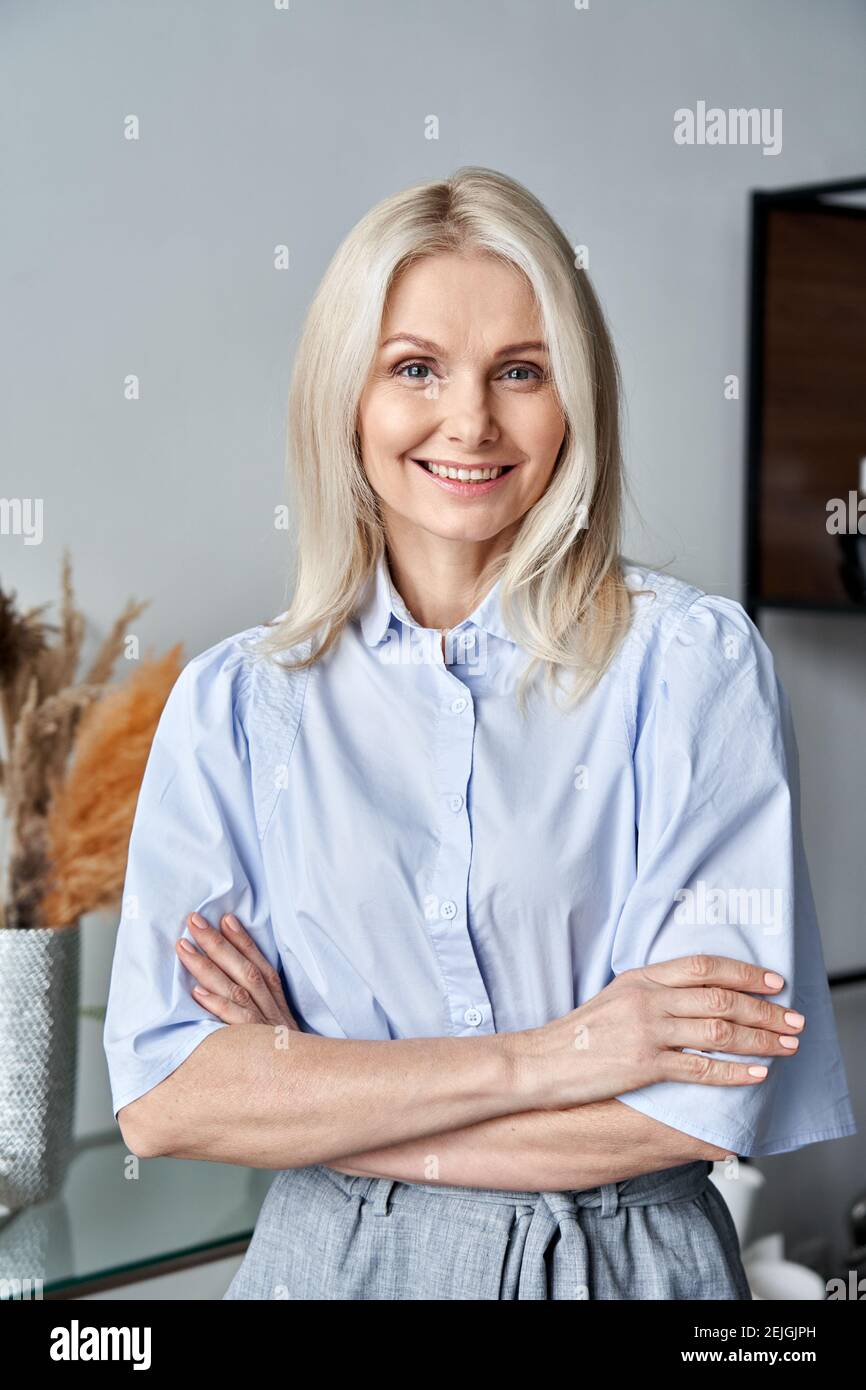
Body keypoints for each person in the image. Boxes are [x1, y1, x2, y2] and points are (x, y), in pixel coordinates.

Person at [103, 166, 856, 1301]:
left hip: (622, 1268)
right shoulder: (234, 703)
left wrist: (308, 1099)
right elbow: (168, 1098)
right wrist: (561, 1055)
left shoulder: (691, 666)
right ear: (342, 396)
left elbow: (701, 1103)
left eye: (519, 372)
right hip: (325, 1270)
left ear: (575, 399)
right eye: (415, 368)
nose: (469, 421)